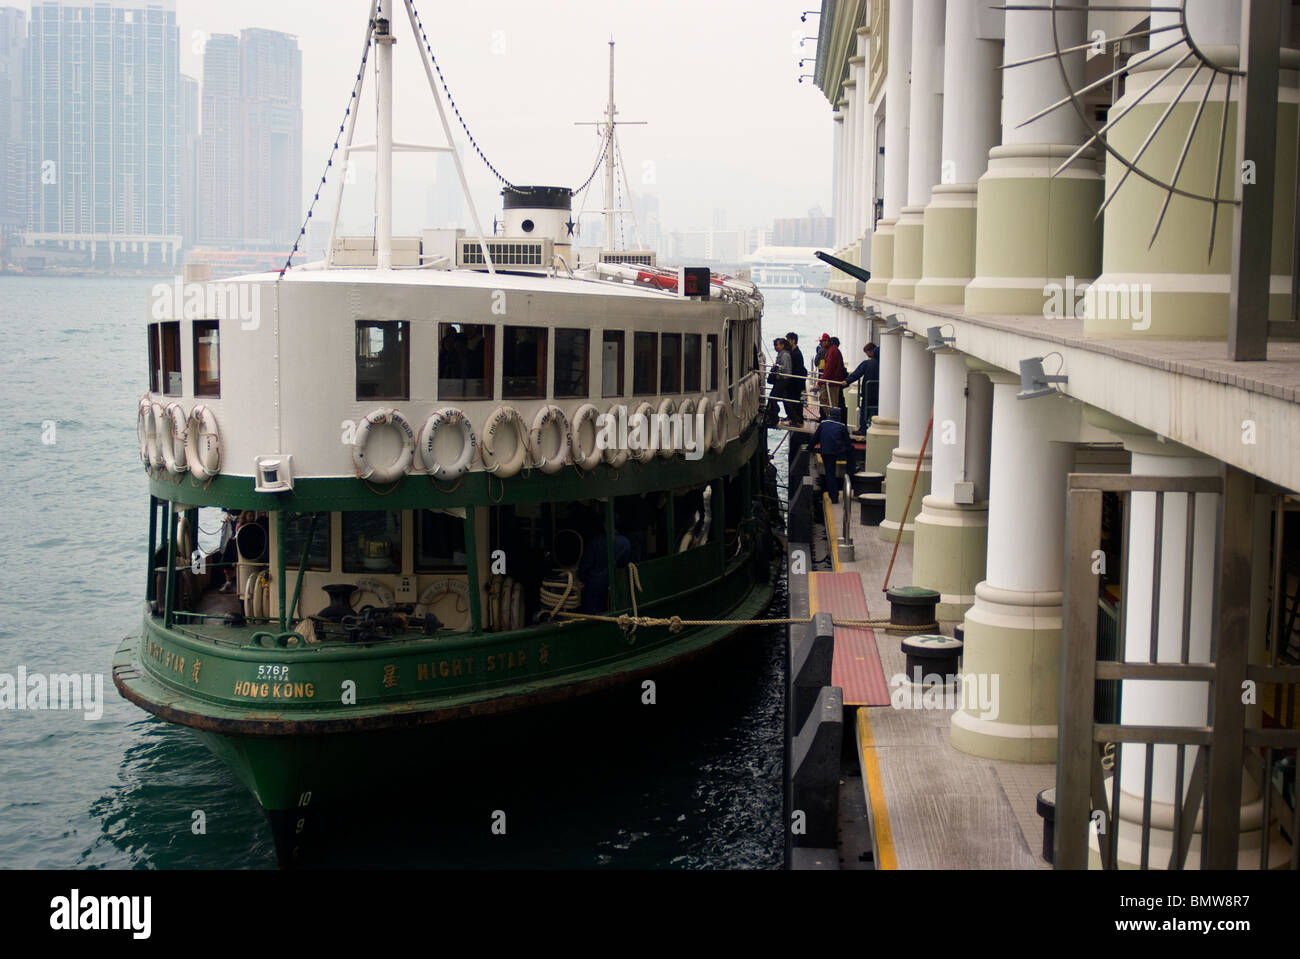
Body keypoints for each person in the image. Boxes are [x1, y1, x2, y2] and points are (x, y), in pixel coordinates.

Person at [810, 408, 857, 503]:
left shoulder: (823, 424)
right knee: (851, 452)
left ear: (829, 415)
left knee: (830, 474)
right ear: (839, 416)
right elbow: (848, 442)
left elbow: (815, 438)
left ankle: (834, 497)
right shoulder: (842, 426)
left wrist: (809, 447)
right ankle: (850, 473)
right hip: (838, 452)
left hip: (826, 452)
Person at [843, 343, 879, 434]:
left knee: (865, 411)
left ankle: (863, 430)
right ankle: (875, 429)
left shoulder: (867, 363)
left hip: (868, 392)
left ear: (872, 352)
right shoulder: (885, 365)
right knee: (876, 411)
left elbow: (856, 374)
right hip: (879, 393)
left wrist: (846, 381)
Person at [766, 338, 789, 427]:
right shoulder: (781, 354)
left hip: (783, 379)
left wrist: (777, 367)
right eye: (775, 345)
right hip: (781, 379)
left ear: (782, 345)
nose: (775, 347)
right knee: (783, 399)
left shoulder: (785, 355)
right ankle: (775, 416)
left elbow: (786, 368)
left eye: (777, 345)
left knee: (772, 398)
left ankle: (774, 417)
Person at [785, 333, 807, 426]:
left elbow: (797, 368)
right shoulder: (793, 351)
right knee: (793, 399)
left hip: (796, 381)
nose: (787, 342)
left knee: (795, 400)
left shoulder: (796, 353)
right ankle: (794, 417)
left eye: (788, 340)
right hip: (795, 380)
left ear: (793, 340)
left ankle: (797, 418)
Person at [822, 335, 846, 416]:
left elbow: (829, 368)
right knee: (825, 399)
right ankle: (830, 417)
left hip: (832, 382)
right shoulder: (832, 351)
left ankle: (832, 419)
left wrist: (820, 382)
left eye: (823, 341)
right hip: (831, 381)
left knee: (832, 403)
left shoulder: (833, 351)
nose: (821, 343)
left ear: (829, 341)